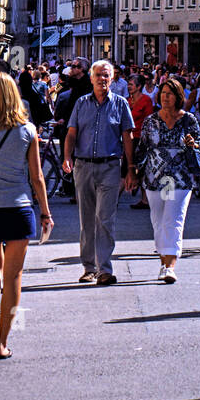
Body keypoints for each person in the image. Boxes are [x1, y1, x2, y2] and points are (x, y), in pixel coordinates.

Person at [0, 71, 53, 358]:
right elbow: (37, 176)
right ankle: (3, 343)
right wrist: (45, 212)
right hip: (18, 207)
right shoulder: (27, 130)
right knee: (13, 275)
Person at [62, 61, 136, 285]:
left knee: (105, 218)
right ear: (91, 78)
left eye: (106, 76)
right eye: (98, 75)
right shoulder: (81, 103)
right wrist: (67, 157)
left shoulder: (121, 104)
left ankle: (104, 269)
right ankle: (88, 267)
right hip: (83, 166)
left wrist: (130, 168)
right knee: (87, 219)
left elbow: (127, 137)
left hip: (110, 166)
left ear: (112, 79)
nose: (102, 79)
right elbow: (72, 134)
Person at [136, 79, 200, 282]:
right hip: (157, 178)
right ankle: (163, 261)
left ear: (178, 97)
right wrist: (131, 173)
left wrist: (193, 144)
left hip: (179, 178)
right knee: (158, 221)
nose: (165, 97)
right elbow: (142, 148)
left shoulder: (188, 120)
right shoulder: (151, 121)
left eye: (170, 93)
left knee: (173, 220)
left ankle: (170, 266)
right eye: (163, 93)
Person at [128, 75, 154, 209]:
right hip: (128, 138)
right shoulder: (127, 101)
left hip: (141, 138)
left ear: (139, 87)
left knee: (142, 169)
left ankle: (145, 199)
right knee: (129, 166)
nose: (129, 86)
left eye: (131, 84)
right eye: (128, 84)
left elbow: (149, 119)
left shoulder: (146, 100)